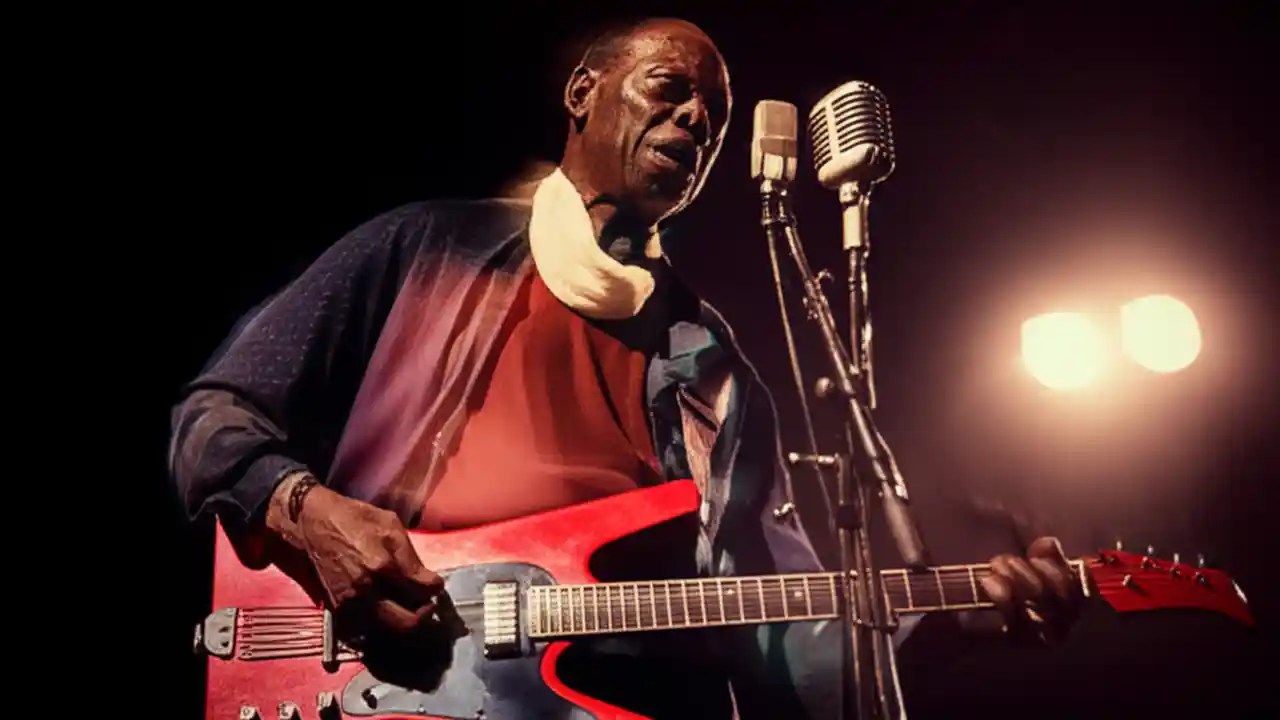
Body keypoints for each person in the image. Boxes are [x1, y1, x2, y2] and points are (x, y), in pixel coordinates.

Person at [169, 16, 1081, 718]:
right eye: (671, 89)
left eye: (714, 120)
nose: (694, 118)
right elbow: (215, 418)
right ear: (583, 93)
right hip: (374, 678)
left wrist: (952, 617)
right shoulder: (426, 247)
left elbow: (772, 634)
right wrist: (312, 515)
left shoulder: (710, 366)